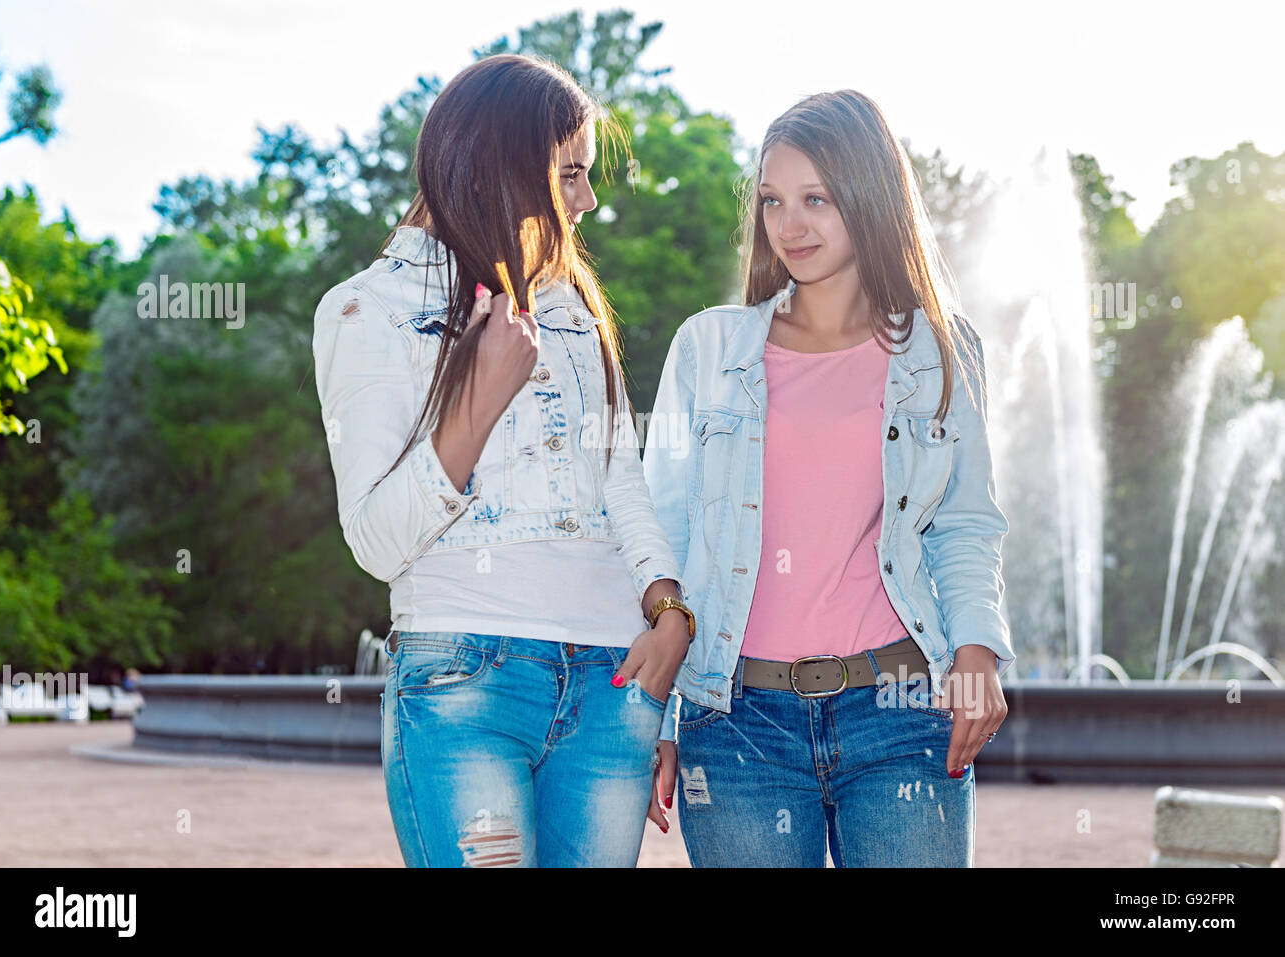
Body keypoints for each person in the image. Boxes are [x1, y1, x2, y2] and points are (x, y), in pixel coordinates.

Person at [311, 53, 694, 867]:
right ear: (497, 164)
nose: (588, 200)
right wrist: (480, 399)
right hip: (466, 682)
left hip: (611, 685)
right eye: (570, 174)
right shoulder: (366, 308)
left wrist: (670, 614)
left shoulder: (572, 307)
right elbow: (375, 540)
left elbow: (622, 484)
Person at [642, 90, 1014, 866]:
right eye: (773, 200)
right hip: (735, 723)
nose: (790, 225)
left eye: (817, 198)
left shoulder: (942, 352)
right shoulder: (708, 349)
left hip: (901, 712)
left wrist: (977, 649)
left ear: (870, 197)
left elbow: (964, 523)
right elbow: (662, 535)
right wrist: (653, 718)